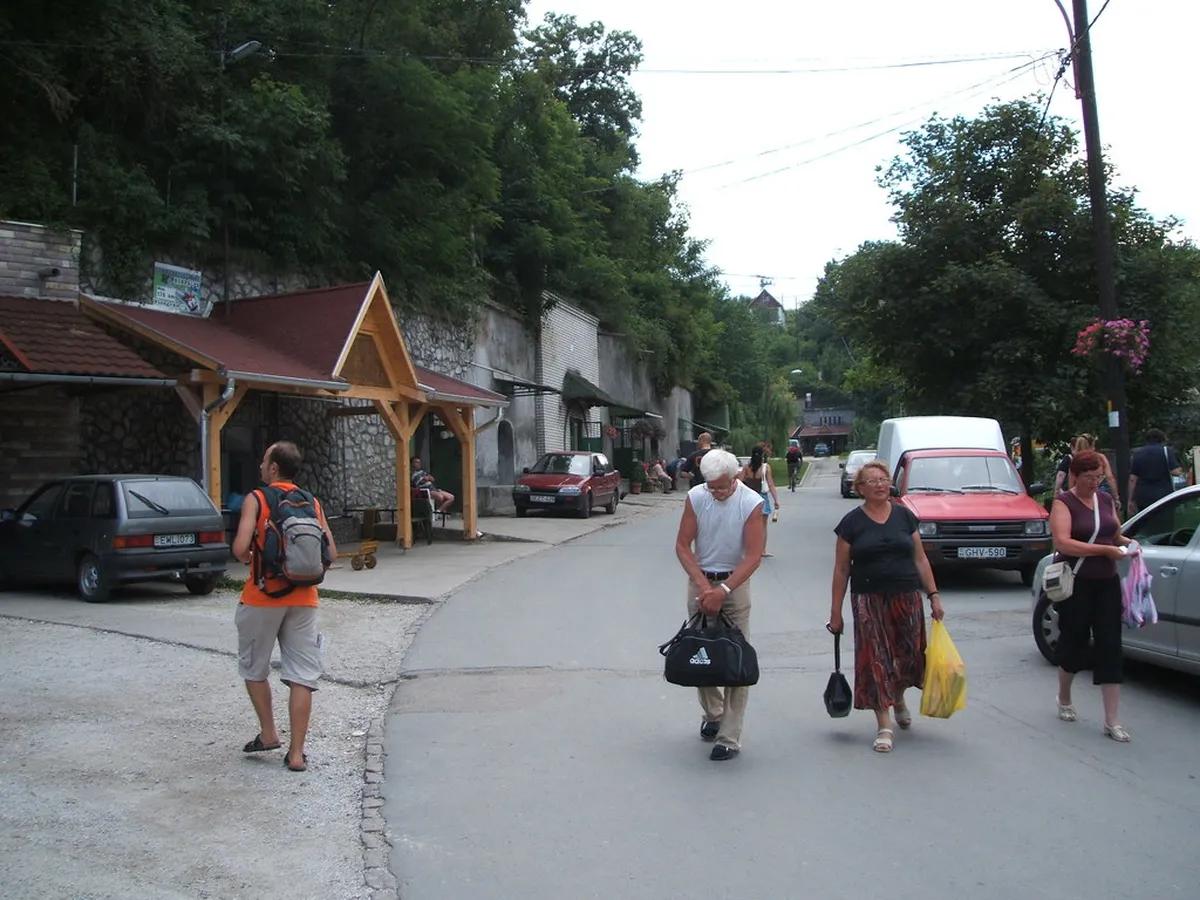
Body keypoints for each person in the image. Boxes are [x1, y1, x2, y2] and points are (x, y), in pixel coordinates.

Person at [232, 441, 337, 772]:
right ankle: (296, 754)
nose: (261, 466)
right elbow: (330, 553)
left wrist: (252, 556)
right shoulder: (311, 501)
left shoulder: (258, 498)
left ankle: (268, 732)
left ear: (274, 468)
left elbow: (238, 549)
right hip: (304, 600)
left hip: (261, 598)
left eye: (264, 461)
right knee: (302, 677)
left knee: (254, 668)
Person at [829, 460, 944, 753]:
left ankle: (899, 697)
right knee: (875, 658)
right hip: (868, 599)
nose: (880, 484)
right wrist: (835, 612)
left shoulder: (905, 517)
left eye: (883, 479)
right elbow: (841, 570)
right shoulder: (851, 523)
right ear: (860, 489)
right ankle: (884, 723)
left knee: (908, 656)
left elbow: (920, 559)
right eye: (872, 481)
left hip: (906, 596)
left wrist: (933, 595)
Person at [673, 449, 766, 761]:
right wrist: (703, 586)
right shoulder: (697, 497)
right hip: (701, 581)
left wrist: (723, 589)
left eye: (722, 487)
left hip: (734, 584)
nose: (717, 492)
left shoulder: (751, 503)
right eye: (711, 487)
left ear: (736, 475)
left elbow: (753, 556)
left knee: (735, 657)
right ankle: (713, 713)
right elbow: (683, 546)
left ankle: (729, 735)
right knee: (699, 651)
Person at [1050, 450, 1138, 742]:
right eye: (1089, 478)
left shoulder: (1104, 500)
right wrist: (1105, 551)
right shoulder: (1064, 503)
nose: (1094, 483)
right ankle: (1064, 697)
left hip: (1107, 582)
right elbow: (1064, 542)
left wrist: (1130, 545)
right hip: (1077, 583)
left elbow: (1114, 535)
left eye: (1098, 477)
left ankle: (1112, 720)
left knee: (1110, 645)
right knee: (1074, 641)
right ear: (1075, 476)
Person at [1128, 428, 1183, 515]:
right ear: (1162, 439)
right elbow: (1175, 472)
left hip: (1143, 495)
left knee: (1146, 522)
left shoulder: (1137, 453)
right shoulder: (1166, 451)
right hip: (1164, 494)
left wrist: (1130, 500)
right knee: (1166, 523)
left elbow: (1132, 479)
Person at [739, 445, 780, 557]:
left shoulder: (747, 467)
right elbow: (770, 484)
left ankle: (749, 549)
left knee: (747, 524)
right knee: (763, 526)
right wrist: (776, 500)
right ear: (762, 455)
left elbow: (739, 482)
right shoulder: (765, 468)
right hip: (762, 498)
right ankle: (762, 550)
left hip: (748, 498)